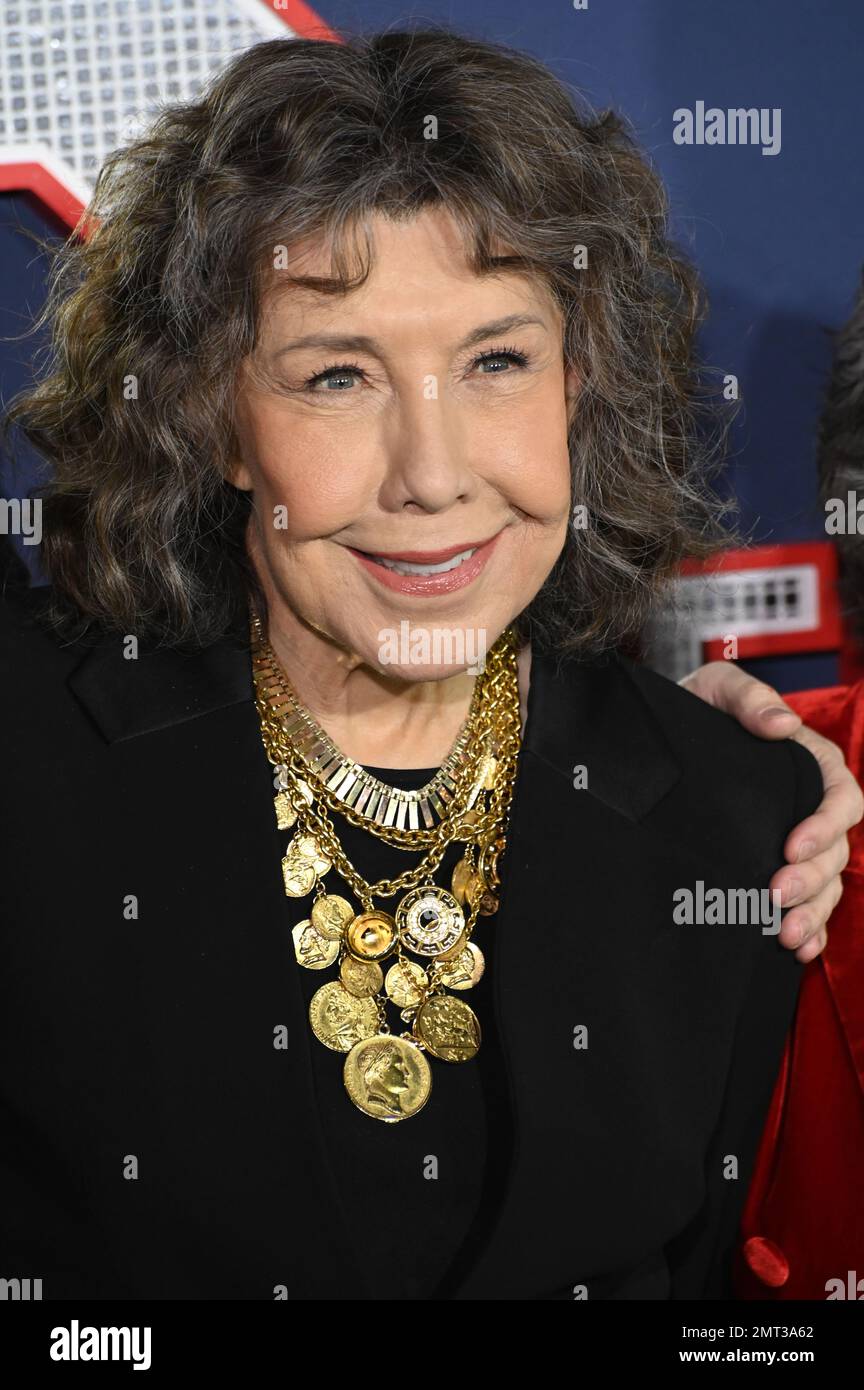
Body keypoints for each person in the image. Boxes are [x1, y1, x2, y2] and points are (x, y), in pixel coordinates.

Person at [0, 27, 860, 1302]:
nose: (434, 473)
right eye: (337, 375)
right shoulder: (29, 755)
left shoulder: (744, 828)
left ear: (581, 382)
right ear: (214, 417)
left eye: (497, 361)